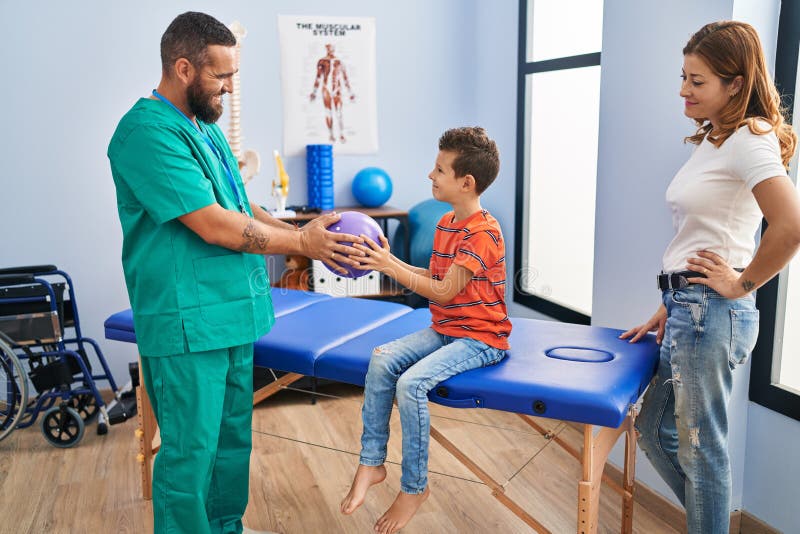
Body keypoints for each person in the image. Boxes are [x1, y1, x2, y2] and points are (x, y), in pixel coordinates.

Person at [107, 12, 363, 534]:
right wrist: (300, 244)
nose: (230, 86)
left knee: (229, 445)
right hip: (186, 321)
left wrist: (306, 232)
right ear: (183, 68)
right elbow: (213, 224)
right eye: (221, 76)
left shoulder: (205, 127)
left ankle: (225, 527)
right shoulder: (145, 134)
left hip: (233, 314)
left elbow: (242, 206)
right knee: (190, 453)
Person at [620, 21, 800, 534]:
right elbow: (705, 235)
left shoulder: (750, 139)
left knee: (703, 453)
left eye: (697, 81)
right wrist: (671, 300)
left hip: (711, 315)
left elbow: (791, 227)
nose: (683, 90)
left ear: (736, 83)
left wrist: (741, 284)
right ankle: (709, 520)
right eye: (684, 77)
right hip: (689, 308)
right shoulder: (715, 139)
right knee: (655, 434)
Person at [339, 127, 512, 534]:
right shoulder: (446, 223)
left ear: (465, 182)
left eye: (439, 169)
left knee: (411, 384)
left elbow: (444, 292)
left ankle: (414, 487)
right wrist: (390, 261)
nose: (430, 175)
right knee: (382, 360)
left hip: (480, 339)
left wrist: (387, 264)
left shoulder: (483, 233)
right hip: (445, 329)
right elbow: (431, 277)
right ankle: (371, 463)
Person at [309, 43, 355, 143]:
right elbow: (318, 77)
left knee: (339, 112)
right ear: (326, 49)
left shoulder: (339, 62)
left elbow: (345, 78)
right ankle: (331, 134)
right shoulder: (322, 61)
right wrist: (314, 92)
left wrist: (350, 92)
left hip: (337, 89)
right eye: (329, 48)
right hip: (326, 89)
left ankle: (341, 134)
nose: (330, 50)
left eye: (332, 48)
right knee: (328, 112)